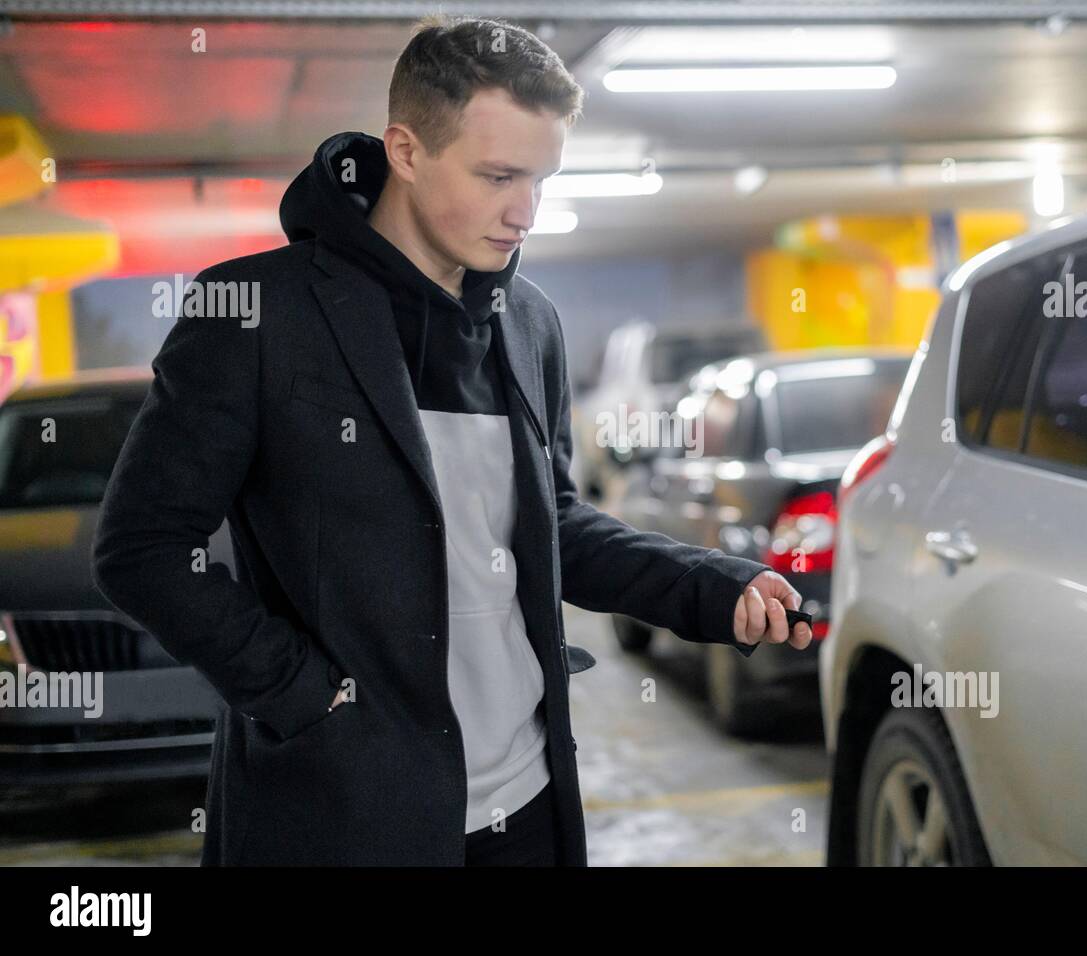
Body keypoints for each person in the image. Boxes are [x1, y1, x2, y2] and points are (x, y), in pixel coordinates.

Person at [91, 13, 812, 867]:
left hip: (531, 802)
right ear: (404, 149)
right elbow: (143, 549)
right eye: (499, 174)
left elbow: (555, 527)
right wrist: (306, 695)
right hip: (347, 810)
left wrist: (711, 586)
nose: (525, 212)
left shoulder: (529, 322)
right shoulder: (257, 315)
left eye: (541, 178)